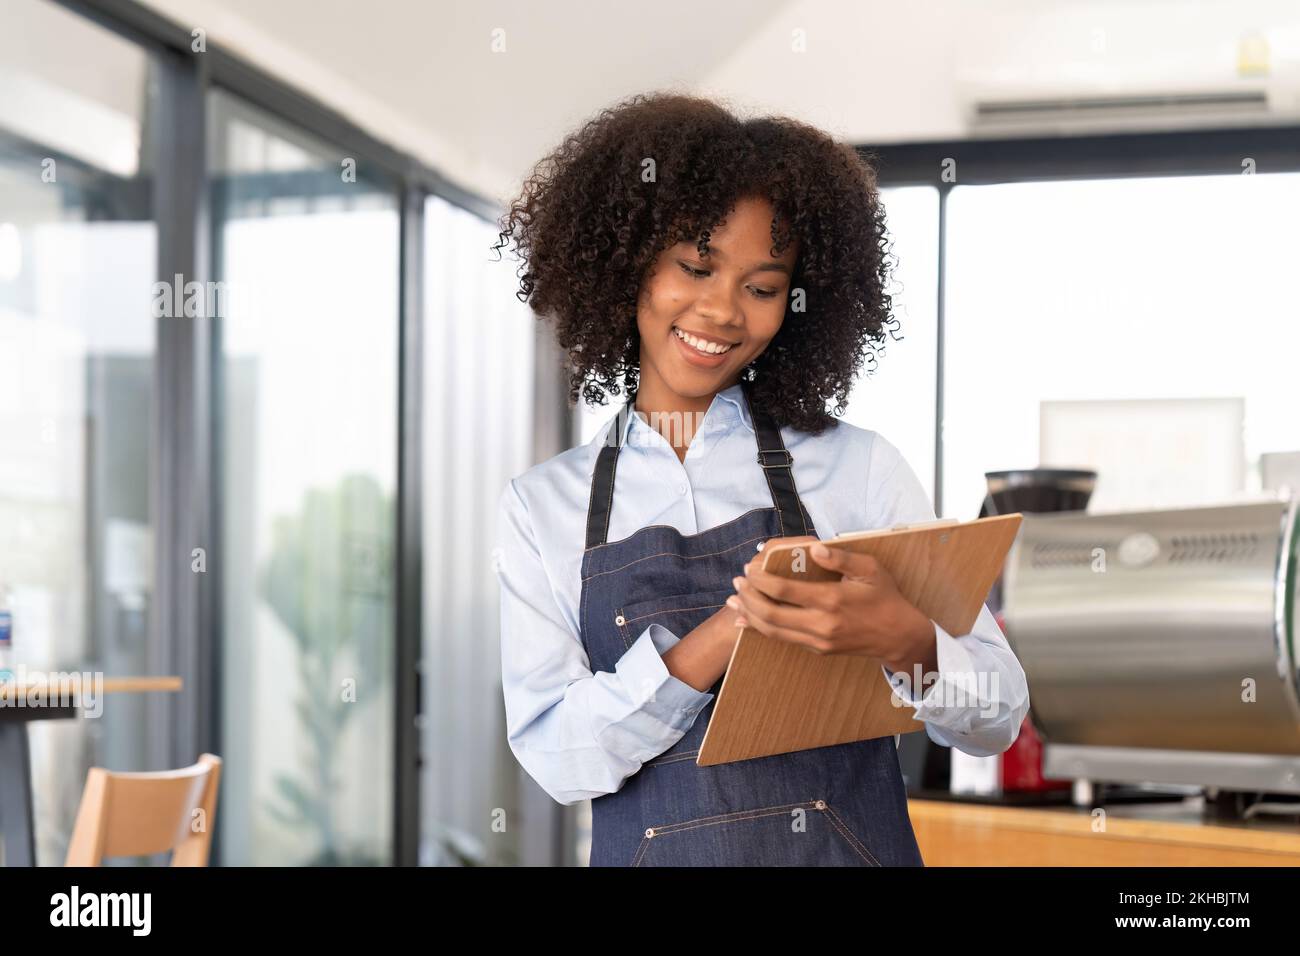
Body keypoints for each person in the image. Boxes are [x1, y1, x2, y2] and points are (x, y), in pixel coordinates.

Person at [492, 92, 1029, 866]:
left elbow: (997, 715)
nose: (721, 312)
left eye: (762, 286)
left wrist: (904, 640)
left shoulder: (857, 468)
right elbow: (560, 759)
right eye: (695, 267)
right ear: (627, 262)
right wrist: (724, 636)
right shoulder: (544, 507)